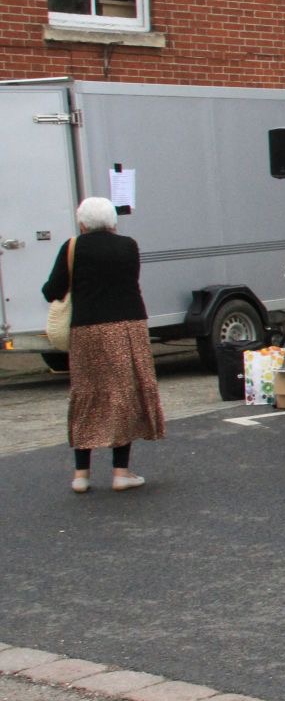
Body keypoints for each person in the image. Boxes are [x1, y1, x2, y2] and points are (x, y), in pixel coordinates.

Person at [41, 197, 167, 493]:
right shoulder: (129, 246)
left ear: (82, 223)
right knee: (123, 394)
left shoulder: (73, 247)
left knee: (87, 394)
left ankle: (81, 476)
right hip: (128, 327)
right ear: (113, 222)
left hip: (88, 331)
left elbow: (52, 290)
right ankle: (121, 472)